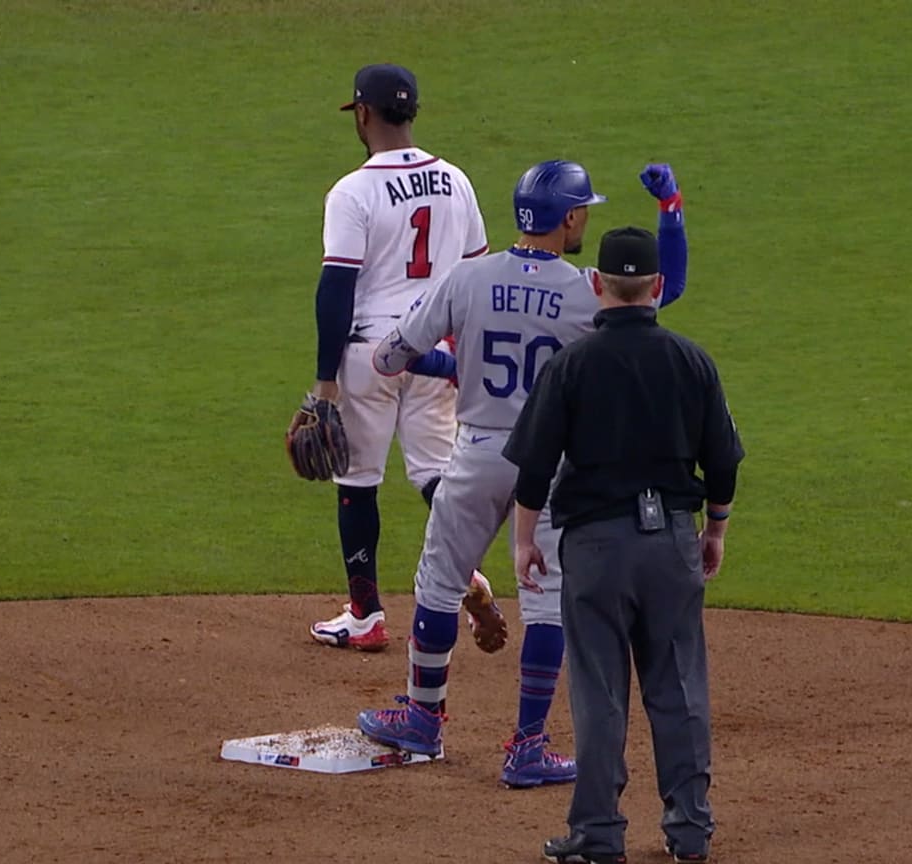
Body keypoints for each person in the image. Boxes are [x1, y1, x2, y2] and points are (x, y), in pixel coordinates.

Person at [353, 161, 690, 788]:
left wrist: (455, 367)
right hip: (555, 466)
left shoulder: (469, 277)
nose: (585, 217)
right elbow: (663, 290)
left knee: (439, 582)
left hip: (477, 451)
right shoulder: (588, 289)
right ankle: (527, 747)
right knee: (544, 599)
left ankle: (423, 722)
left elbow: (389, 355)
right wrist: (670, 207)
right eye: (582, 209)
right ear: (567, 219)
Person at [503, 226, 743, 864]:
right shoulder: (692, 361)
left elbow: (534, 466)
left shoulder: (573, 364)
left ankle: (599, 835)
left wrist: (525, 540)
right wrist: (714, 528)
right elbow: (723, 460)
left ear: (597, 284)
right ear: (658, 287)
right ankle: (689, 832)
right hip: (669, 542)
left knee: (600, 690)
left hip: (596, 550)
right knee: (679, 686)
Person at [298, 63, 489, 652]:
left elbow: (336, 290)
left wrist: (325, 382)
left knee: (357, 481)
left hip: (372, 356)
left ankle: (365, 615)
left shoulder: (352, 191)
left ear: (362, 114)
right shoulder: (456, 180)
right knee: (436, 475)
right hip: (439, 353)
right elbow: (478, 268)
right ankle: (467, 578)